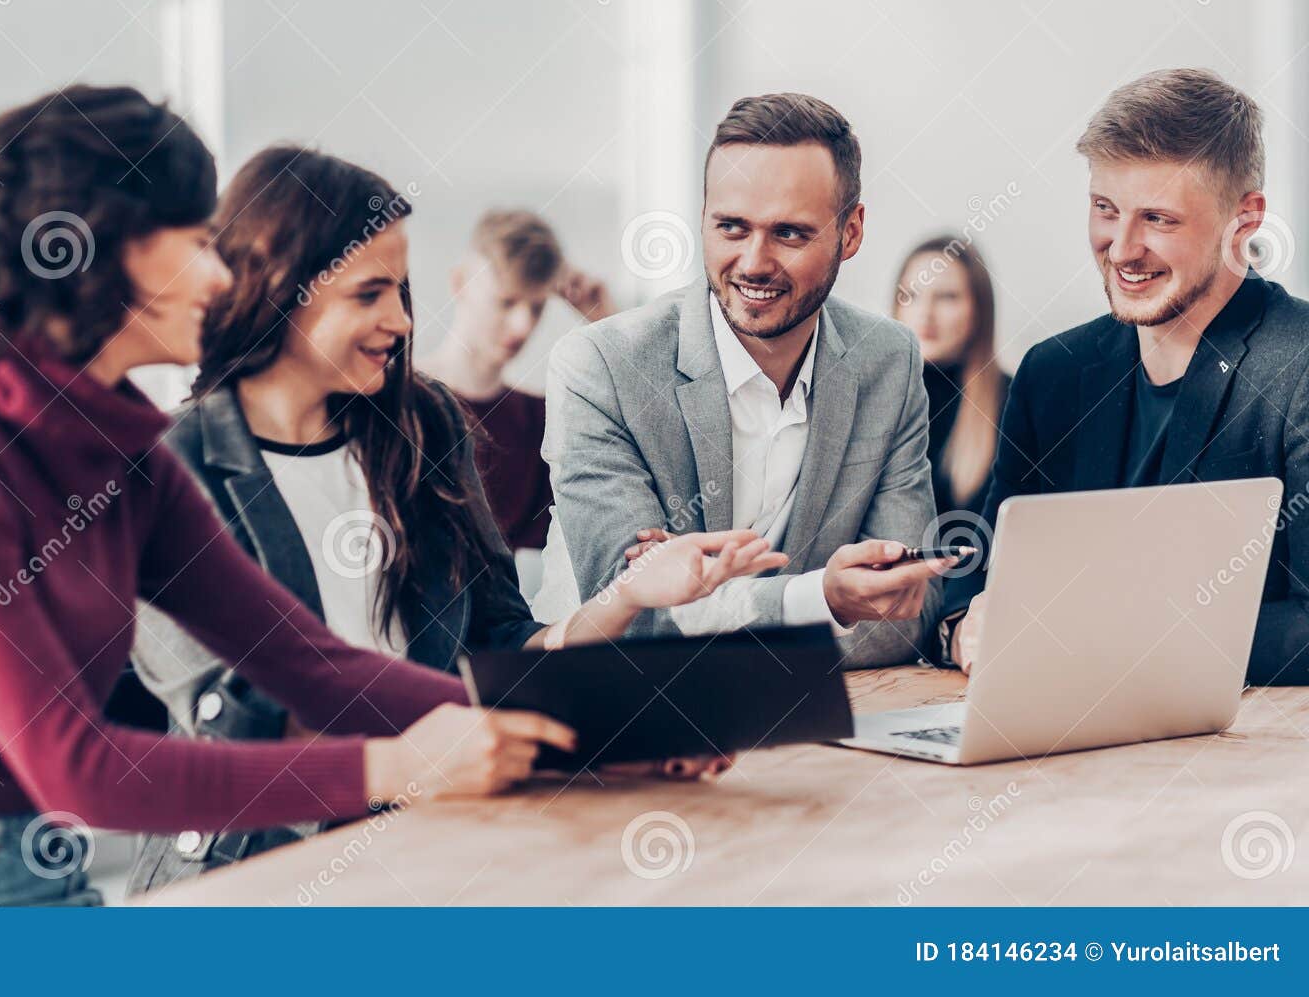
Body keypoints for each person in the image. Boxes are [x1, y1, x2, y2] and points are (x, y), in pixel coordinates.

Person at [0, 88, 738, 908]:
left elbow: (313, 663)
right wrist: (399, 766)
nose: (220, 273)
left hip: (43, 877)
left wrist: (589, 737)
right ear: (97, 255)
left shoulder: (119, 457)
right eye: (193, 244)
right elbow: (72, 765)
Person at [127, 146, 782, 894]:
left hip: (433, 842)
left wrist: (625, 606)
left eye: (400, 290)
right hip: (253, 871)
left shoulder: (424, 427)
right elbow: (241, 727)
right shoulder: (169, 471)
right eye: (369, 293)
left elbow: (499, 649)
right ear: (281, 288)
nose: (400, 320)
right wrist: (533, 748)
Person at [535, 92, 961, 665]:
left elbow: (906, 610)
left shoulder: (888, 359)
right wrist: (820, 599)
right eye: (731, 227)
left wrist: (707, 612)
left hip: (811, 719)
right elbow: (628, 620)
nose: (755, 263)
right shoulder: (602, 367)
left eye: (789, 233)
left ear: (851, 232)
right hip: (612, 720)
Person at [930, 67, 1309, 685]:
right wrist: (963, 624)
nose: (1122, 249)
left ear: (1245, 220)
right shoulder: (1054, 373)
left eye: (1159, 219)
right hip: (1053, 737)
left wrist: (1107, 640)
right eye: (1106, 209)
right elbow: (987, 566)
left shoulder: (1298, 367)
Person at [422, 209, 616, 552]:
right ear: (459, 283)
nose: (522, 326)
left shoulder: (537, 421)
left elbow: (633, 472)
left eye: (537, 307)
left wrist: (608, 328)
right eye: (506, 302)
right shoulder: (397, 397)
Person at [891, 236, 1010, 518]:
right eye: (911, 295)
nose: (925, 313)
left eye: (947, 297)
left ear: (979, 308)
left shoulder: (1014, 400)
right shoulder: (870, 397)